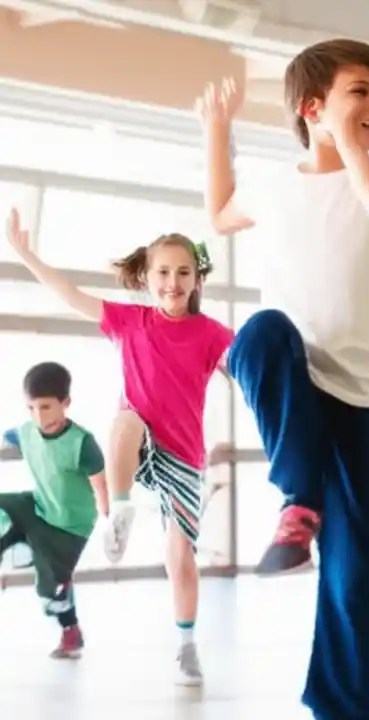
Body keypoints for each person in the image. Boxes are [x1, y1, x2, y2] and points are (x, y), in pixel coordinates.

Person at [199, 38, 369, 720]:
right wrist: (217, 133)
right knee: (258, 333)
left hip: (357, 406)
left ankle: (341, 709)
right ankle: (298, 497)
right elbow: (221, 212)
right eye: (361, 93)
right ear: (312, 108)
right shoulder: (277, 183)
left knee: (355, 575)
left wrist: (349, 140)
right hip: (295, 380)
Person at [5, 210, 234, 686]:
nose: (173, 282)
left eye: (183, 273)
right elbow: (71, 295)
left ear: (196, 279)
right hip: (137, 444)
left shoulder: (212, 333)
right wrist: (27, 256)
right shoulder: (130, 322)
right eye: (163, 272)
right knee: (125, 418)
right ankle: (122, 507)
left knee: (180, 558)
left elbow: (248, 370)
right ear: (147, 277)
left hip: (184, 458)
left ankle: (187, 647)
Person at [0, 362, 106, 660]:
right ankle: (21, 554)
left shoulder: (82, 444)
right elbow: (10, 437)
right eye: (31, 408)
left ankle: (70, 631)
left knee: (50, 593)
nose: (38, 416)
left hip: (70, 525)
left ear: (65, 403)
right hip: (38, 506)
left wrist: (112, 519)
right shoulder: (25, 432)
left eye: (45, 407)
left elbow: (101, 484)